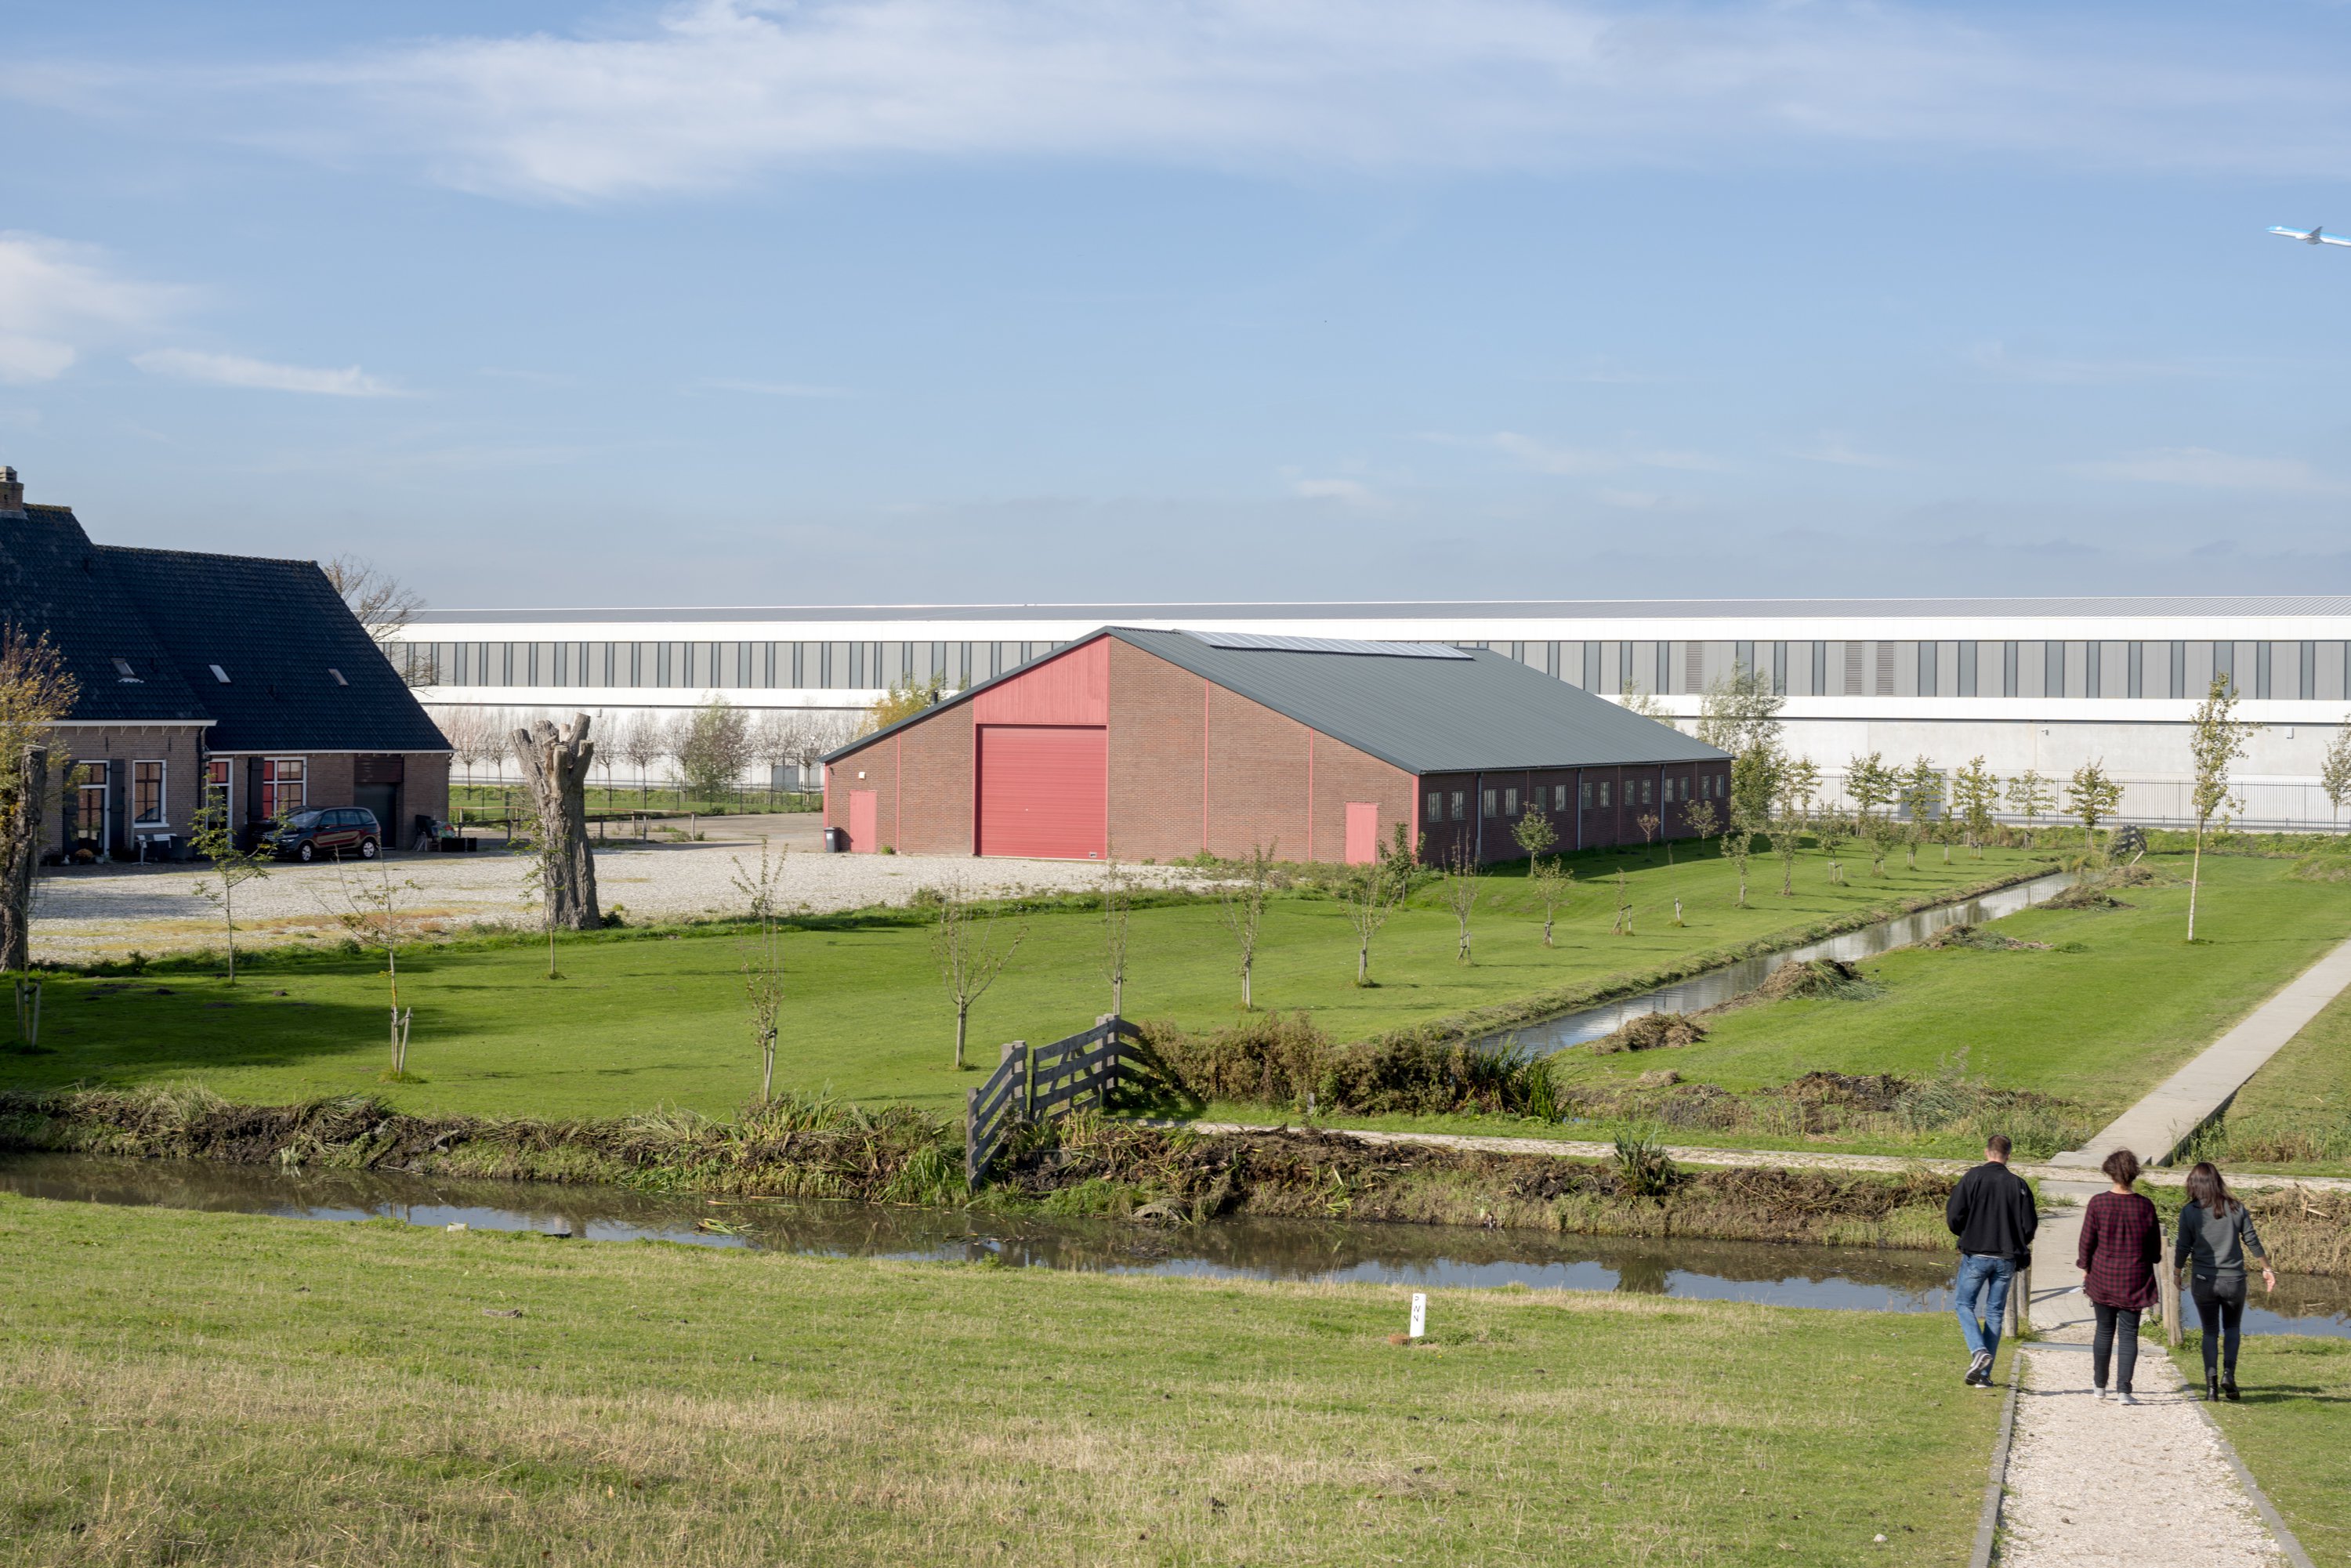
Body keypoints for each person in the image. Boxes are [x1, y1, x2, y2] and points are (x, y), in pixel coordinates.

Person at [2173, 1161, 2276, 1402]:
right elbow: (2252, 1240)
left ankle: (2211, 1388)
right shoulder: (2236, 1207)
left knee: (2209, 1332)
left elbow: (2182, 1247)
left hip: (2203, 1280)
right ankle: (2229, 1374)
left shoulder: (2189, 1212)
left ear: (2193, 1184)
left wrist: (2177, 1272)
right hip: (2233, 1280)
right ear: (2218, 1181)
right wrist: (2266, 1268)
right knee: (2232, 1328)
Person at [1947, 1133, 2038, 1387]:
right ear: (2008, 1156)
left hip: (1976, 1253)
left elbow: (1954, 1214)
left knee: (1964, 1304)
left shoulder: (1973, 1177)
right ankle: (1983, 1377)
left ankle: (1978, 1352)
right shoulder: (2018, 1184)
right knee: (1995, 1312)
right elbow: (2029, 1226)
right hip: (2006, 1258)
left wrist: (1965, 1232)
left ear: (1987, 1152)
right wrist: (2018, 1242)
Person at [2075, 1147, 2160, 1403]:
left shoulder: (2098, 1203)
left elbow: (2086, 1242)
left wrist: (2085, 1268)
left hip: (2102, 1276)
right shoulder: (2145, 1205)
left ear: (2110, 1173)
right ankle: (2124, 1390)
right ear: (2134, 1174)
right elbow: (2155, 1248)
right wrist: (2150, 1259)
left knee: (2103, 1331)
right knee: (2128, 1335)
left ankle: (2099, 1386)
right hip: (2135, 1277)